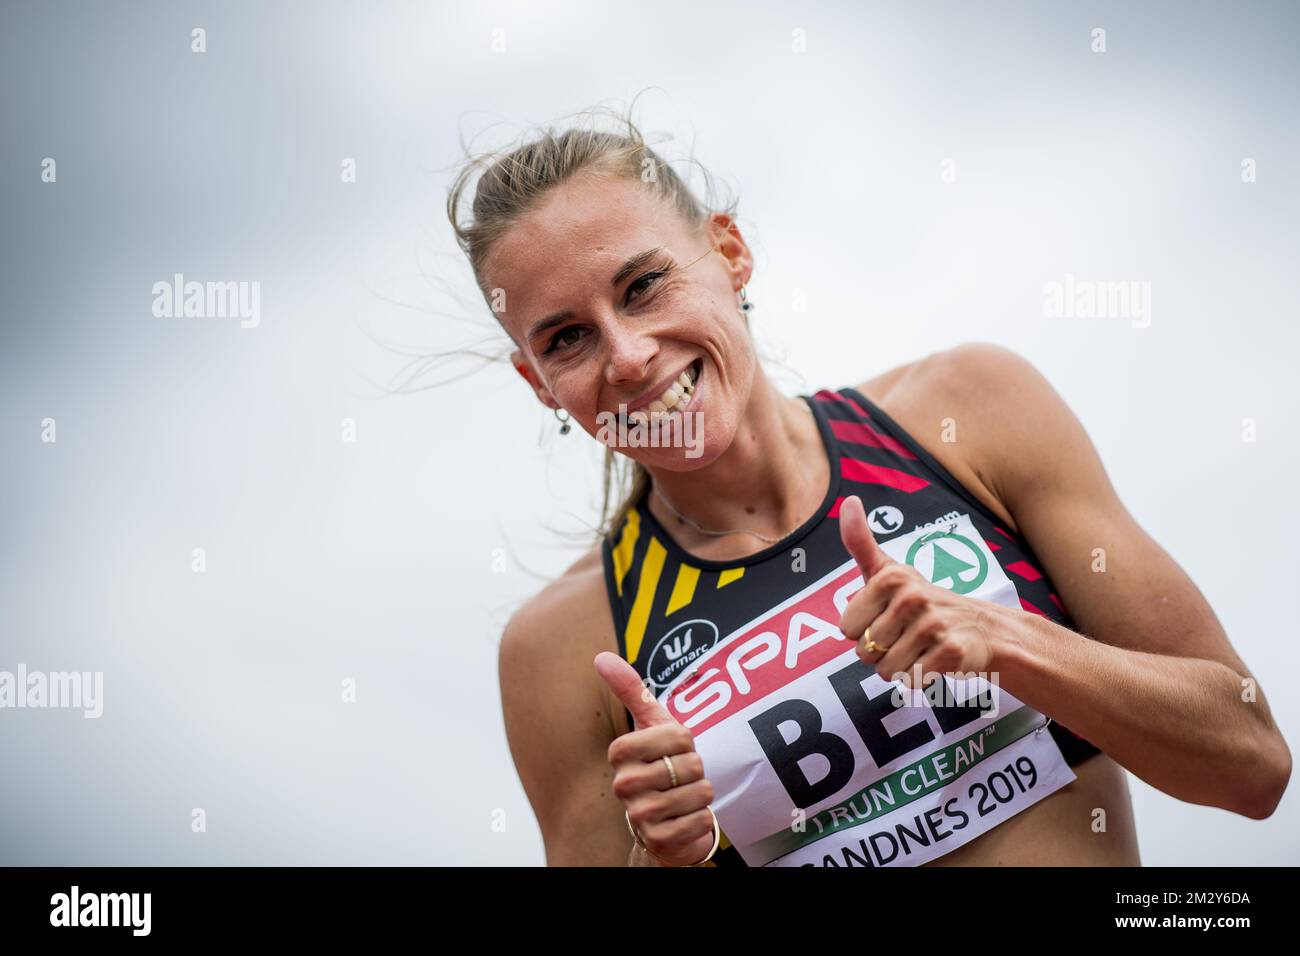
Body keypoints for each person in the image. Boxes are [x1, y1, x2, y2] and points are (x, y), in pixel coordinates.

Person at [461, 108, 1292, 867]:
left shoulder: (970, 411)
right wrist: (665, 860)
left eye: (643, 286)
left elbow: (1250, 763)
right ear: (539, 383)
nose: (629, 355)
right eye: (568, 339)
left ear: (730, 252)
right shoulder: (563, 645)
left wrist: (1010, 642)